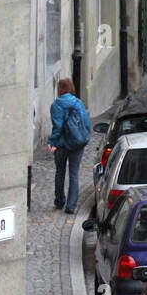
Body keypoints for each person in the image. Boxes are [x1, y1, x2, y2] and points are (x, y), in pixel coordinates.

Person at [48, 77, 91, 215]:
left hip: (61, 145)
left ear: (59, 89)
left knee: (60, 173)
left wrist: (52, 142)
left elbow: (57, 127)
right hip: (77, 144)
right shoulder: (78, 103)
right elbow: (86, 123)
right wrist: (83, 136)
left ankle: (60, 201)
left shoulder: (55, 106)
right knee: (74, 174)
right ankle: (71, 206)